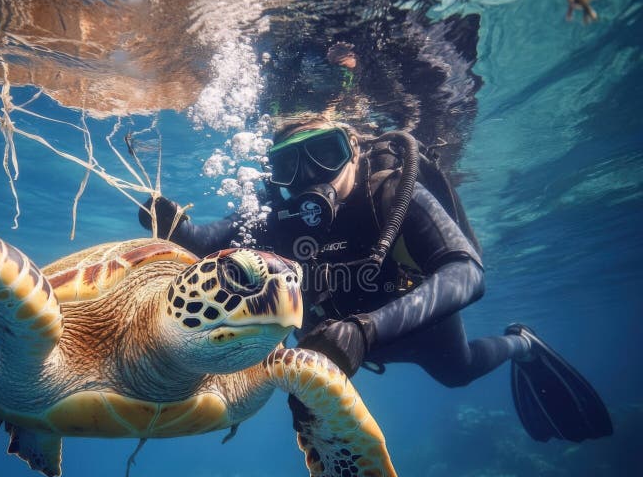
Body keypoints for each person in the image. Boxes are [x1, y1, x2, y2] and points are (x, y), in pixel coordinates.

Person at [139, 115, 612, 443]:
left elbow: (467, 272)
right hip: (336, 341)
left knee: (458, 372)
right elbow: (204, 241)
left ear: (354, 149)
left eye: (325, 153)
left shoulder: (390, 192)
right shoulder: (278, 214)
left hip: (413, 323)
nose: (308, 177)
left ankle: (522, 344)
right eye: (289, 165)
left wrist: (368, 330)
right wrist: (174, 226)